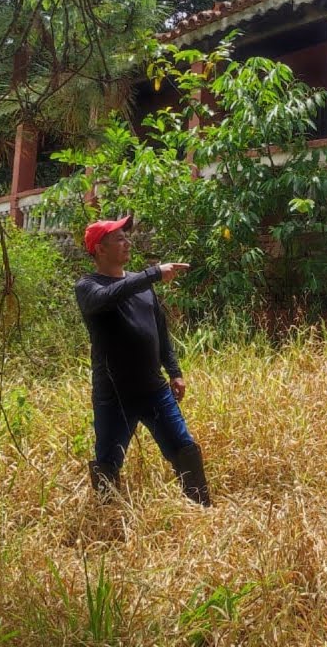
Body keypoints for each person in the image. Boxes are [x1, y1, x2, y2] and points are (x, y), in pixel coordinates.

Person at [74, 215, 210, 506]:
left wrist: (174, 371)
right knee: (108, 462)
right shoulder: (87, 287)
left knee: (184, 448)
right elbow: (107, 297)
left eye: (127, 237)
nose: (128, 242)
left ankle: (202, 508)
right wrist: (152, 274)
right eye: (119, 238)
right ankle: (106, 520)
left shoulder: (140, 285)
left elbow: (160, 331)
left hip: (154, 390)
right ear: (100, 249)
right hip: (114, 396)